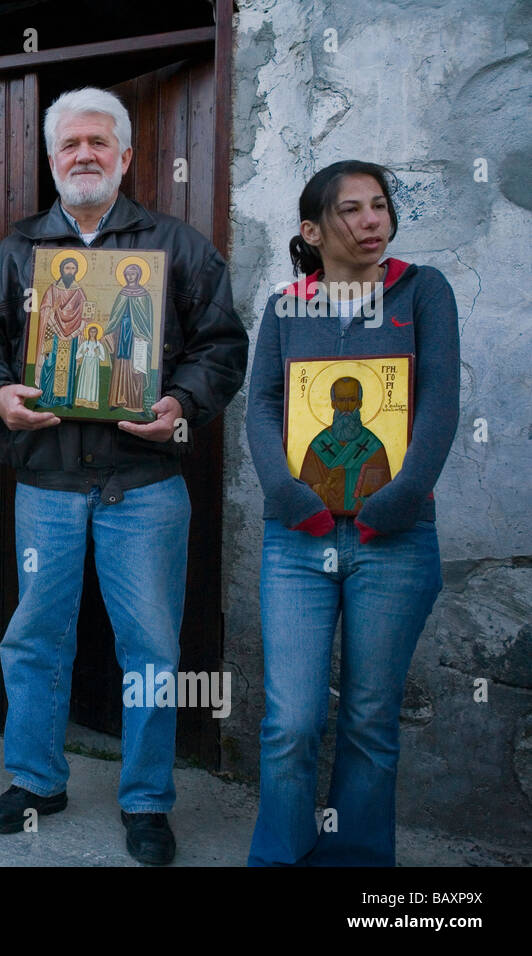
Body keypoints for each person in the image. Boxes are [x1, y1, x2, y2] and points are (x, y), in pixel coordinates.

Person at [0, 87, 248, 863]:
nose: (84, 155)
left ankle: (147, 799)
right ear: (53, 162)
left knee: (150, 645)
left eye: (97, 142)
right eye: (69, 145)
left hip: (143, 485)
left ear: (125, 157)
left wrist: (181, 399)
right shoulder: (19, 253)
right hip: (46, 485)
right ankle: (37, 779)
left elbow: (222, 346)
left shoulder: (177, 248)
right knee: (35, 638)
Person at [245, 160, 458, 866]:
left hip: (394, 541)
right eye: (352, 211)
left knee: (369, 718)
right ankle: (280, 854)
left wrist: (397, 498)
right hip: (298, 539)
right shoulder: (286, 307)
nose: (373, 221)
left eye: (380, 207)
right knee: (292, 721)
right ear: (313, 230)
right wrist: (288, 493)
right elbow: (266, 406)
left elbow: (436, 403)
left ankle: (357, 865)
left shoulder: (423, 292)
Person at [297, 376, 391, 512]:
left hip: (365, 521)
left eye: (352, 400)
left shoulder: (374, 446)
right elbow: (304, 492)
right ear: (333, 404)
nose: (346, 407)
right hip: (324, 520)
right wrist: (328, 483)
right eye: (341, 400)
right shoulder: (318, 445)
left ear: (359, 403)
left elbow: (385, 492)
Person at [103, 261, 157, 414]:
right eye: (127, 274)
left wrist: (142, 334)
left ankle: (136, 404)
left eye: (132, 274)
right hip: (120, 336)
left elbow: (146, 320)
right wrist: (109, 331)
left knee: (136, 369)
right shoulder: (122, 293)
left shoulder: (144, 296)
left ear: (138, 275)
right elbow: (115, 316)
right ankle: (117, 400)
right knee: (120, 368)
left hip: (137, 337)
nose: (130, 276)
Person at [36, 256, 86, 408]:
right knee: (50, 363)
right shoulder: (52, 289)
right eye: (67, 268)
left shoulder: (79, 292)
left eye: (73, 268)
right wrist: (52, 310)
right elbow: (44, 309)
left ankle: (65, 401)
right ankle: (45, 399)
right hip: (53, 331)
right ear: (61, 270)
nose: (70, 271)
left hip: (71, 337)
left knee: (67, 367)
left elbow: (85, 312)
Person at [73, 323, 106, 410]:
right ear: (88, 333)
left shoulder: (99, 345)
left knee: (93, 382)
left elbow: (103, 358)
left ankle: (92, 402)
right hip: (86, 363)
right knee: (84, 381)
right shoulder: (84, 344)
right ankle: (81, 401)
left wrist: (97, 353)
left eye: (94, 332)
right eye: (91, 332)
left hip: (94, 364)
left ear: (97, 333)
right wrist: (84, 352)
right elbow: (77, 355)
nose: (92, 333)